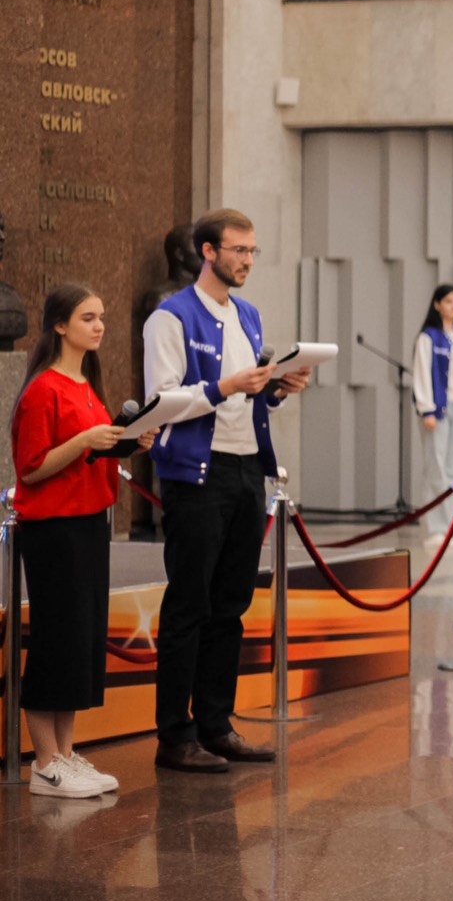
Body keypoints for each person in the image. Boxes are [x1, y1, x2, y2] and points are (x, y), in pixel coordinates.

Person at [143, 208, 313, 774]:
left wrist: (279, 389)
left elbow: (251, 397)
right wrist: (224, 386)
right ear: (209, 252)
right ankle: (175, 735)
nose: (247, 261)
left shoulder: (248, 316)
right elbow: (163, 401)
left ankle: (216, 724)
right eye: (238, 250)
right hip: (196, 472)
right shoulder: (170, 317)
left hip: (246, 470)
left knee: (231, 606)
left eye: (252, 251)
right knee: (189, 604)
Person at [9, 285, 158, 797]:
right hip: (55, 530)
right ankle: (44, 761)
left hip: (90, 522)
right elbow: (31, 469)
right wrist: (83, 441)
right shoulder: (43, 390)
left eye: (101, 317)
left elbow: (92, 459)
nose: (98, 326)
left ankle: (67, 754)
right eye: (88, 317)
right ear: (60, 326)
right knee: (55, 640)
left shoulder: (85, 385)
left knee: (79, 642)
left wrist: (127, 441)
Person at [411, 284, 453, 547]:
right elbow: (422, 373)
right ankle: (435, 529)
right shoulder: (429, 337)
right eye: (448, 302)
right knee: (435, 467)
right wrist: (427, 408)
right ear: (437, 305)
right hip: (438, 409)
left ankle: (450, 528)